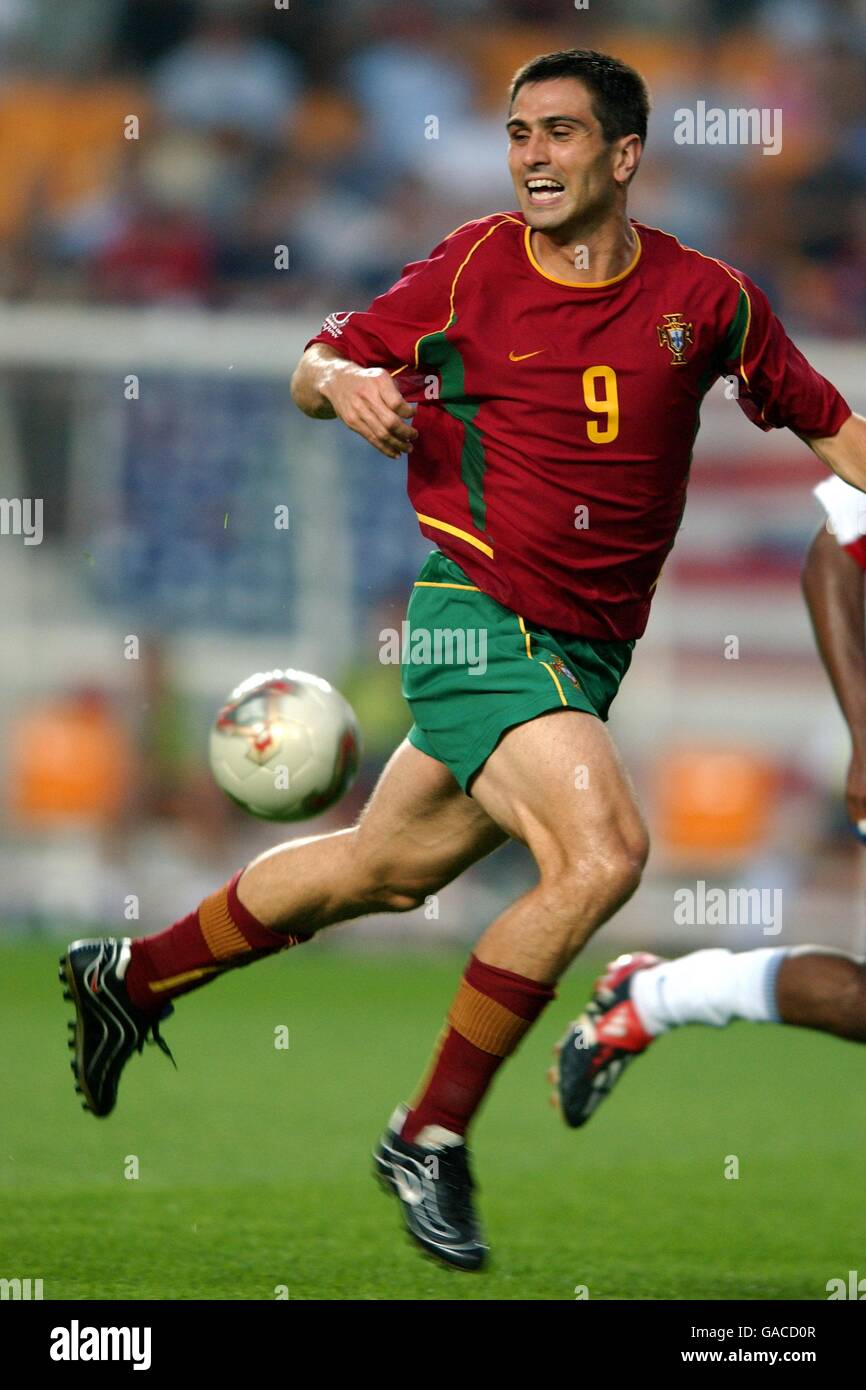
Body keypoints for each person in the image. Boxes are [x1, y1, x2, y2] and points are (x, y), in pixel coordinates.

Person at [60, 49, 866, 1273]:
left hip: (584, 655)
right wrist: (345, 387)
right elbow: (311, 363)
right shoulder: (470, 266)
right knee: (603, 854)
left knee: (379, 870)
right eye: (516, 133)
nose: (532, 156)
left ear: (623, 155)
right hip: (471, 614)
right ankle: (429, 1130)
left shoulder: (710, 300)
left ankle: (134, 975)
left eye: (557, 133)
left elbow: (829, 428)